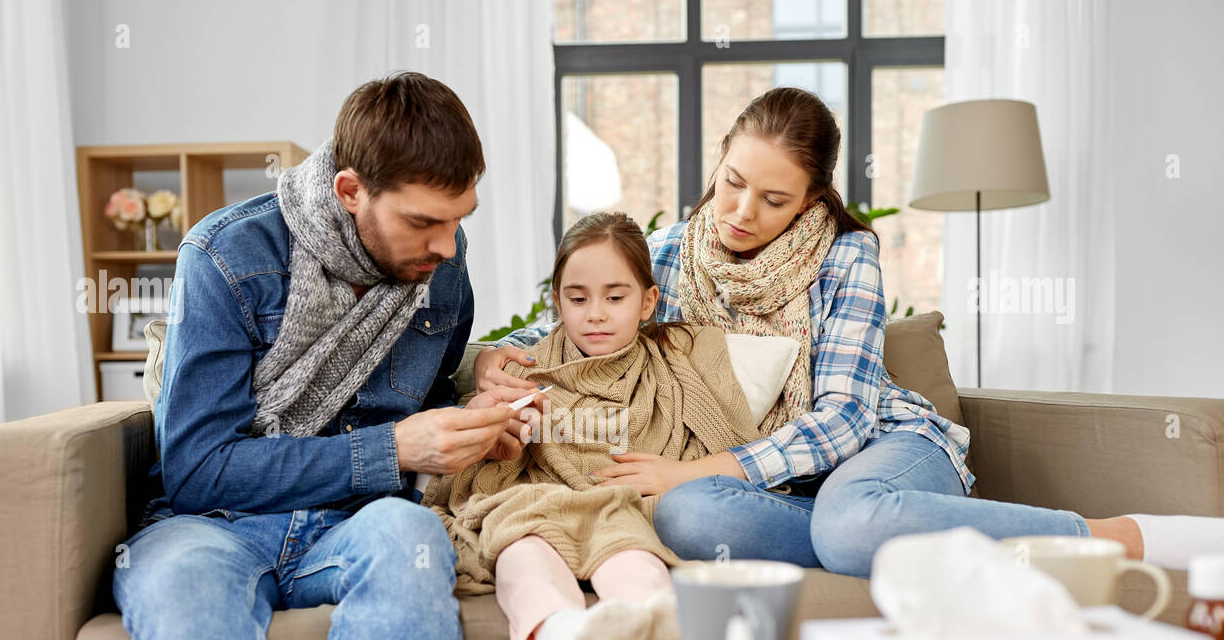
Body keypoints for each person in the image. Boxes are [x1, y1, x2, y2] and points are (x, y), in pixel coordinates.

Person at [476, 86, 1223, 576]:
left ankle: (1113, 538)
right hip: (794, 493)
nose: (741, 212)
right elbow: (579, 321)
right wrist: (503, 364)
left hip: (882, 450)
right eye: (733, 182)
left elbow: (844, 418)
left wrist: (702, 465)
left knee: (843, 518)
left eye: (772, 200)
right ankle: (889, 540)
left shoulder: (843, 256)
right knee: (686, 512)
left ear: (809, 202)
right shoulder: (669, 254)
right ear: (720, 163)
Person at [111, 72, 544, 640]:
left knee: (410, 540)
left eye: (460, 221)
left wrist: (478, 392)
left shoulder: (439, 270)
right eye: (424, 221)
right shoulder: (227, 255)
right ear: (350, 190)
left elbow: (419, 390)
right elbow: (200, 469)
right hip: (211, 523)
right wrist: (396, 449)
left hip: (350, 520)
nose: (448, 247)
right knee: (176, 587)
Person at [423, 212, 758, 640]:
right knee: (521, 548)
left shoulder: (675, 367)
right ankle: (557, 632)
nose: (595, 313)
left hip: (618, 509)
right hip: (531, 510)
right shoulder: (525, 372)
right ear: (559, 304)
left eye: (615, 297)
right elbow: (474, 475)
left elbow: (719, 442)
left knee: (632, 553)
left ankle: (655, 628)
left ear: (647, 302)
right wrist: (505, 442)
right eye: (577, 299)